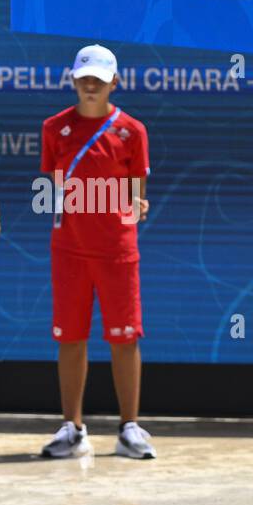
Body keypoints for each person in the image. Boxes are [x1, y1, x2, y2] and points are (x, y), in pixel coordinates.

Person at [38, 44, 154, 459]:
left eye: (99, 80)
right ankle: (73, 429)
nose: (90, 86)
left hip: (118, 253)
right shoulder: (54, 128)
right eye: (84, 78)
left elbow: (137, 191)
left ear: (114, 83)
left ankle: (130, 428)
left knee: (125, 337)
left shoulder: (132, 131)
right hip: (69, 250)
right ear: (72, 80)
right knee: (71, 338)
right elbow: (51, 189)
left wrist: (133, 204)